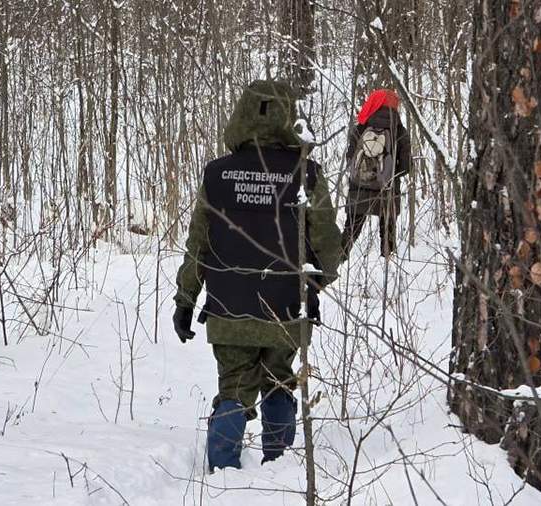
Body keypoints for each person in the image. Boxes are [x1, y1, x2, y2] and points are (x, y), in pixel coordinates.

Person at [172, 80, 341, 472]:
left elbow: (199, 244)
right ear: (288, 117)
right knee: (280, 380)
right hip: (286, 308)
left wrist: (185, 300)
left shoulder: (217, 175)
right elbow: (328, 244)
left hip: (229, 309)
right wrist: (315, 282)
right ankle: (278, 469)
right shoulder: (306, 175)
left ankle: (221, 476)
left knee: (232, 388)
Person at [340, 89, 412, 260]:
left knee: (350, 230)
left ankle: (338, 259)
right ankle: (388, 263)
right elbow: (405, 167)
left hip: (359, 189)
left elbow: (350, 159)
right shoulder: (399, 131)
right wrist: (386, 173)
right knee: (388, 233)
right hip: (387, 190)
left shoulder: (361, 126)